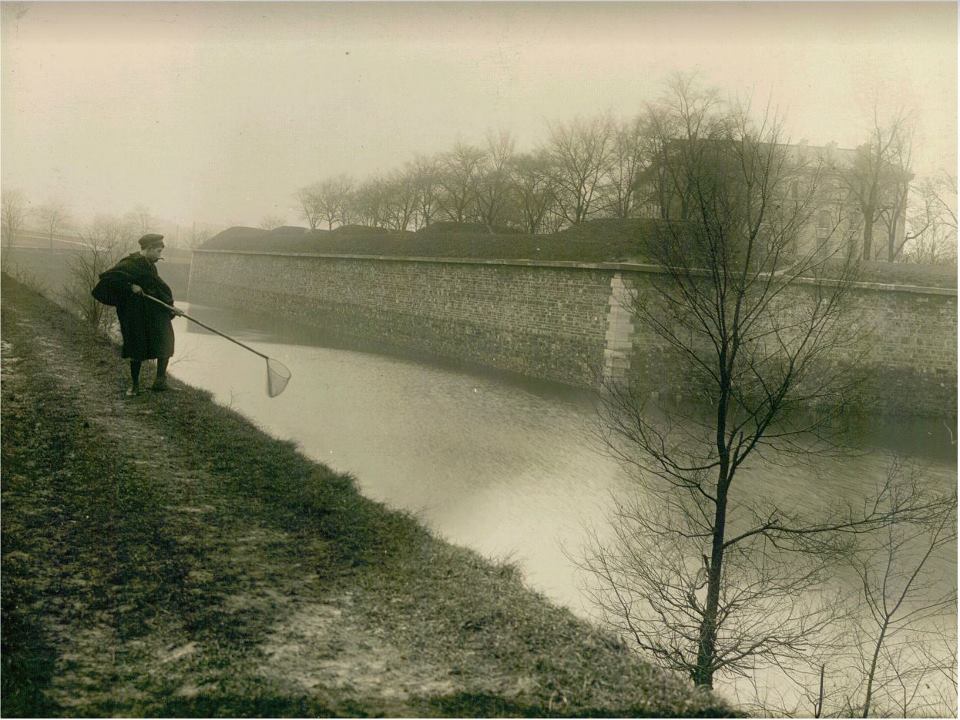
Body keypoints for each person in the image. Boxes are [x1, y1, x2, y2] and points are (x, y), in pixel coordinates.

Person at [99, 233, 182, 396]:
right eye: (158, 251)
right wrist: (130, 286)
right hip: (135, 313)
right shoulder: (130, 263)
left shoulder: (150, 265)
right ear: (149, 248)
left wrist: (170, 307)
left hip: (153, 311)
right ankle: (134, 385)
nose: (160, 255)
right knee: (137, 347)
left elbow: (156, 288)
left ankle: (160, 382)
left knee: (165, 339)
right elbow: (109, 280)